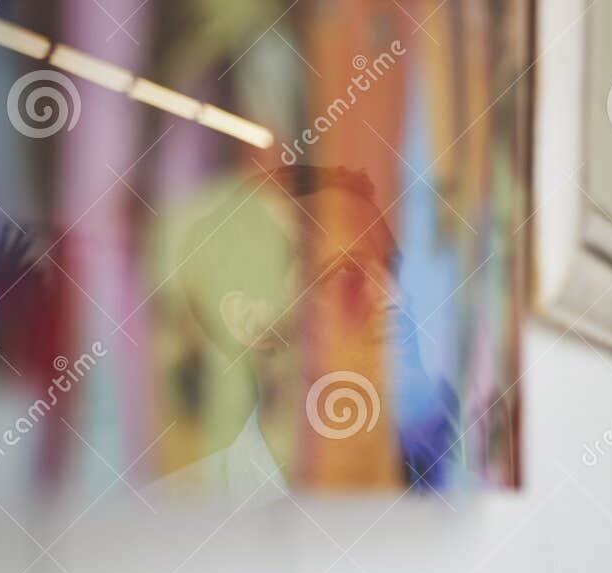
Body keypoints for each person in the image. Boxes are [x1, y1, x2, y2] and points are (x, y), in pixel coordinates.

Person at [153, 164, 460, 502]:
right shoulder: (182, 520)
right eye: (349, 273)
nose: (395, 296)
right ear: (251, 321)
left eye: (392, 266)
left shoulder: (450, 489)